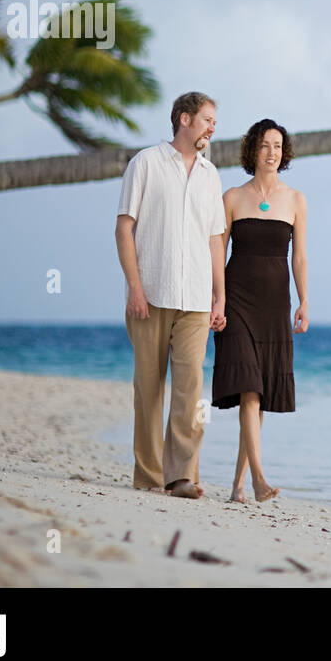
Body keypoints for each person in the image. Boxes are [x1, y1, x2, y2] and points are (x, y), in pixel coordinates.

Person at [114, 91, 227, 500]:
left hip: (196, 299)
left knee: (191, 389)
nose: (213, 128)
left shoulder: (211, 175)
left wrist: (220, 296)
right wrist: (135, 287)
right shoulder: (144, 164)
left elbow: (216, 239)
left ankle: (181, 476)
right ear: (184, 119)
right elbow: (124, 228)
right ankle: (148, 474)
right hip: (151, 295)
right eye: (208, 120)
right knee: (149, 389)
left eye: (215, 121)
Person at [212, 118, 309, 504]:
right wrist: (216, 299)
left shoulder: (296, 199)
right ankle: (258, 481)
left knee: (258, 394)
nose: (273, 152)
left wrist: (304, 301)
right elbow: (217, 252)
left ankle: (237, 486)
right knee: (249, 390)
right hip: (236, 300)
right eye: (266, 145)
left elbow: (299, 257)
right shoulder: (232, 197)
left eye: (278, 146)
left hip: (274, 305)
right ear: (252, 149)